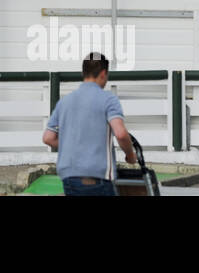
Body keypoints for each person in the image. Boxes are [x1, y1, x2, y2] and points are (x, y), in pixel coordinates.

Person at [42, 53, 137, 196]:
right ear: (104, 73)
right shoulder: (108, 99)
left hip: (69, 177)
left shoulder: (64, 102)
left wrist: (75, 145)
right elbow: (121, 133)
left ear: (83, 72)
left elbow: (48, 138)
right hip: (97, 177)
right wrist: (130, 155)